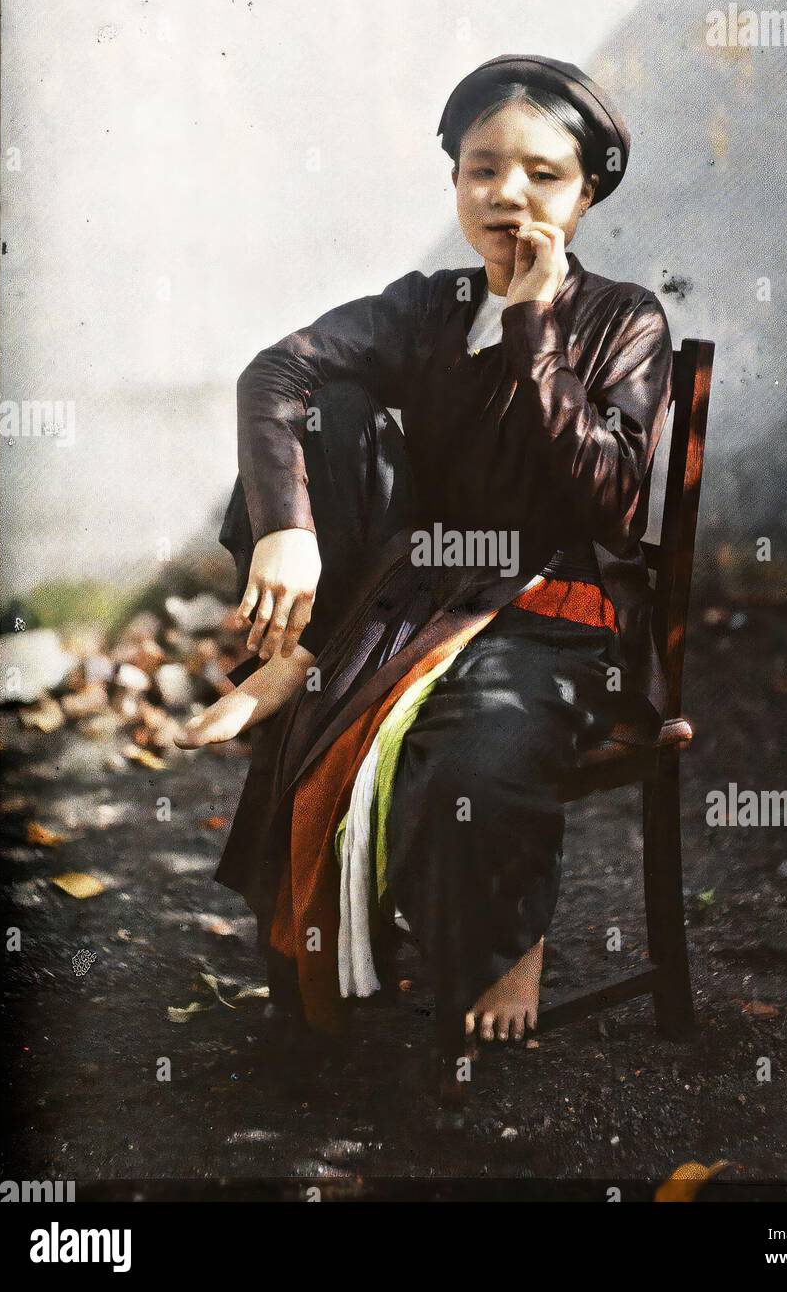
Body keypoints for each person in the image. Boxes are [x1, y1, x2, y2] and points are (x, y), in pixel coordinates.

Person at [175, 54, 674, 1052]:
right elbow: (275, 371)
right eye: (482, 169)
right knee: (330, 406)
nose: (507, 194)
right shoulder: (428, 307)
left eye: (542, 174)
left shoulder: (623, 319)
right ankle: (302, 648)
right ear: (454, 182)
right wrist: (286, 528)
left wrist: (535, 328)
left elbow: (616, 508)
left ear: (586, 194)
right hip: (416, 596)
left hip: (549, 613)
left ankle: (508, 938)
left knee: (466, 771)